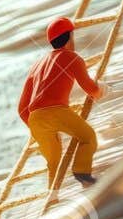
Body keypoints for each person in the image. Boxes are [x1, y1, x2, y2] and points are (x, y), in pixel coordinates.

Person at [18, 17, 107, 188]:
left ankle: (52, 196)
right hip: (56, 111)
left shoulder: (37, 65)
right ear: (69, 37)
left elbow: (22, 109)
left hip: (35, 119)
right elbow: (91, 90)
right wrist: (102, 89)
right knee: (88, 137)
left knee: (54, 162)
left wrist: (39, 126)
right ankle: (82, 173)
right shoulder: (72, 57)